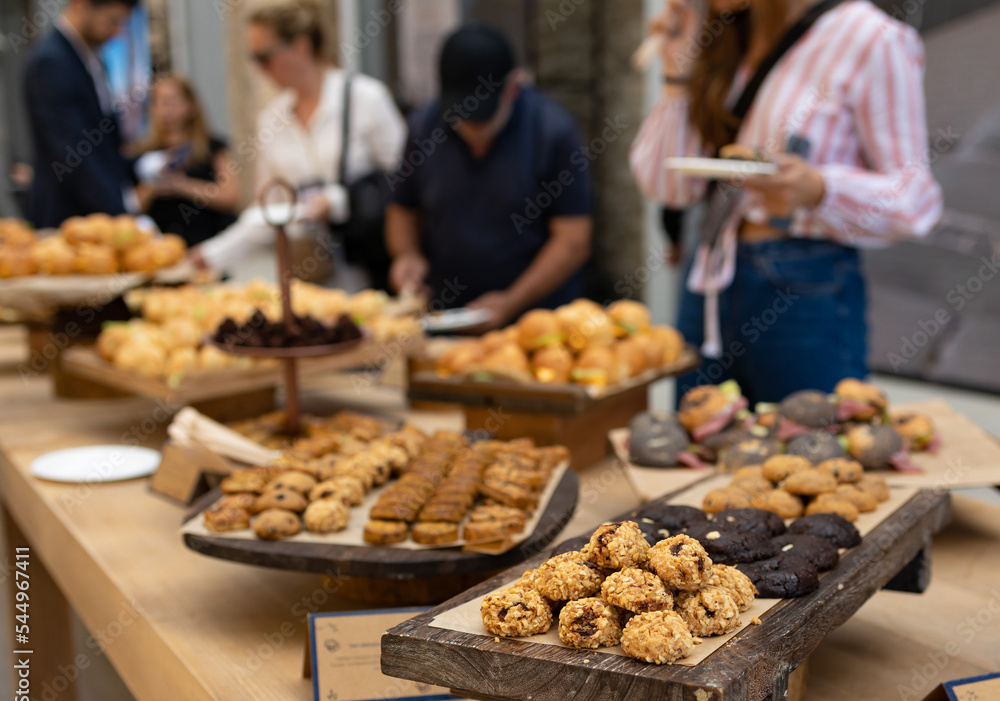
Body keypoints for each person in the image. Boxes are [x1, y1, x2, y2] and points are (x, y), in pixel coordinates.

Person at [629, 0, 943, 405]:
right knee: (694, 452)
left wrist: (819, 188)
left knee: (807, 454)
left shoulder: (869, 37)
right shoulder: (727, 34)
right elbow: (668, 185)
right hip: (709, 275)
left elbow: (916, 201)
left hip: (802, 283)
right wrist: (678, 71)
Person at [386, 25, 593, 331]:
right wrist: (407, 256)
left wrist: (512, 300)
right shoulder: (423, 127)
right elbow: (402, 210)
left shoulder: (553, 133)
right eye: (461, 118)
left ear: (513, 87)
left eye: (483, 119)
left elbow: (573, 240)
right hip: (445, 319)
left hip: (536, 324)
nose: (472, 132)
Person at [190, 0, 406, 289]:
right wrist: (209, 256)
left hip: (369, 268)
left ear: (301, 46)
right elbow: (268, 210)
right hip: (308, 277)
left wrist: (341, 201)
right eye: (253, 58)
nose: (260, 68)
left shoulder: (365, 98)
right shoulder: (271, 118)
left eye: (265, 56)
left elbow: (408, 184)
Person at [23, 0, 139, 228]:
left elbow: (104, 140)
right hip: (69, 220)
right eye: (112, 21)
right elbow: (74, 154)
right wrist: (121, 217)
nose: (116, 32)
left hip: (96, 215)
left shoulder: (91, 57)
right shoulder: (50, 62)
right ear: (81, 5)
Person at [133, 75, 239, 246]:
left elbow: (230, 196)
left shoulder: (211, 147)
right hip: (160, 251)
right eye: (161, 102)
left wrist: (183, 185)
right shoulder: (141, 154)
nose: (168, 109)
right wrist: (154, 185)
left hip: (208, 247)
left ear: (190, 105)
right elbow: (129, 206)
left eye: (173, 101)